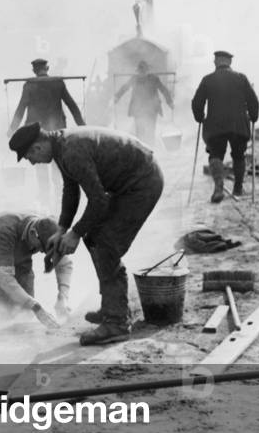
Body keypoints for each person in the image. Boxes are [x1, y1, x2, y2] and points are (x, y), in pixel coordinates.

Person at [9, 122, 164, 346]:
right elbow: (71, 189)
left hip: (143, 183)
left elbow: (99, 200)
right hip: (130, 183)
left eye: (29, 157)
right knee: (93, 237)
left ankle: (117, 322)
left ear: (37, 147)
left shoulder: (71, 151)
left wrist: (75, 233)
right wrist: (62, 229)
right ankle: (113, 306)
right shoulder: (61, 145)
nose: (32, 163)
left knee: (106, 243)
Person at [0, 212, 71, 327]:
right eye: (41, 247)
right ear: (33, 233)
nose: (41, 251)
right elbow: (4, 278)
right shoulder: (6, 230)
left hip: (19, 258)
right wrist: (36, 307)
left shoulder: (49, 228)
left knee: (25, 311)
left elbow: (64, 264)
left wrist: (62, 298)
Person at [7, 58, 86, 206]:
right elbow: (72, 106)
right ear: (47, 68)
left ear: (34, 70)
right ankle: (58, 197)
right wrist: (82, 125)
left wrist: (12, 129)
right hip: (56, 130)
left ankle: (45, 199)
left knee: (39, 163)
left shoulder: (30, 85)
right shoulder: (57, 83)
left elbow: (21, 109)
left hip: (36, 133)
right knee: (58, 165)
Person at [190, 51, 259, 203]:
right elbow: (253, 100)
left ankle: (218, 188)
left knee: (215, 154)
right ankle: (238, 188)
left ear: (216, 62)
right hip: (238, 125)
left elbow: (196, 102)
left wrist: (199, 117)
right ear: (230, 63)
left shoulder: (207, 80)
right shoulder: (241, 78)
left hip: (216, 126)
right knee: (239, 155)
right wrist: (253, 116)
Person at [114, 61, 174, 146]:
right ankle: (141, 148)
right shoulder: (134, 79)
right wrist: (117, 97)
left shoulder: (154, 79)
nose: (142, 73)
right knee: (140, 132)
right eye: (140, 71)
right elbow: (125, 87)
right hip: (138, 109)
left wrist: (170, 102)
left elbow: (163, 89)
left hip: (152, 109)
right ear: (138, 71)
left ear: (147, 71)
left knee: (151, 131)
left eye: (143, 71)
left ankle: (151, 148)